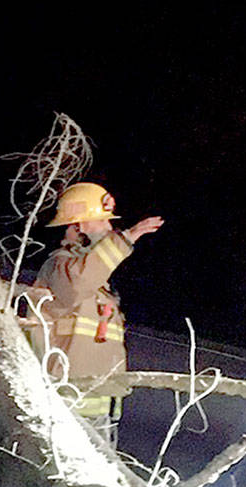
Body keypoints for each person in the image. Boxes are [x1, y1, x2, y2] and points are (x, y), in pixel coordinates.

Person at [28, 182, 163, 435]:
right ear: (78, 227)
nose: (110, 229)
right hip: (65, 408)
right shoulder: (59, 268)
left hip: (97, 410)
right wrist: (126, 239)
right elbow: (78, 283)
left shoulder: (98, 285)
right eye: (103, 222)